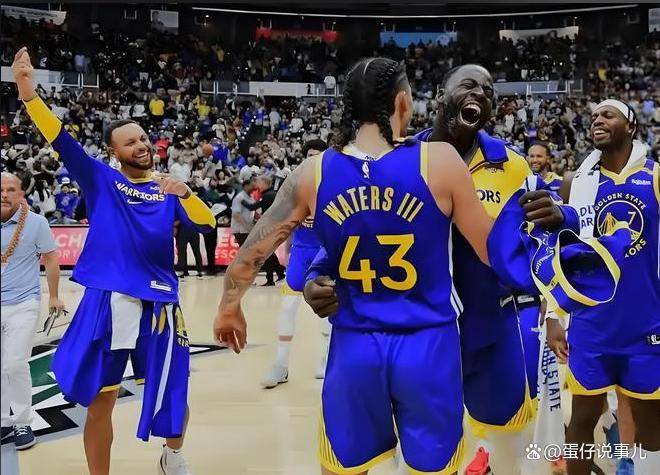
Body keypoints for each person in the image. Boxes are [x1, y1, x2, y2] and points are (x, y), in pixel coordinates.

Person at [214, 57, 495, 475]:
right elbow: (493, 251)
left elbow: (253, 250)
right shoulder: (440, 161)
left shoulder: (314, 171)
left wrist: (229, 306)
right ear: (403, 101)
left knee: (343, 467)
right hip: (428, 345)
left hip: (355, 345)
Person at [303, 64, 568, 475]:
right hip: (418, 331)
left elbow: (538, 243)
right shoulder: (404, 157)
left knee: (509, 442)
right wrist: (314, 275)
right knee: (417, 453)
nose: (480, 93)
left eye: (488, 90)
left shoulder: (514, 166)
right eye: (468, 85)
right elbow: (360, 229)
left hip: (488, 329)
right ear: (441, 96)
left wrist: (554, 304)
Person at [12, 47, 216, 475]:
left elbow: (205, 223)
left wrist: (186, 192)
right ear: (113, 152)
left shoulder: (168, 187)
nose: (141, 146)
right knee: (100, 400)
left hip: (160, 302)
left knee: (173, 391)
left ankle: (173, 456)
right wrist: (28, 92)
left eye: (143, 139)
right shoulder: (101, 179)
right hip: (108, 300)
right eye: (130, 142)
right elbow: (60, 138)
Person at [547, 99, 660, 475]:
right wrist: (553, 317)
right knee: (582, 419)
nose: (597, 119)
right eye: (594, 116)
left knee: (650, 422)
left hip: (645, 324)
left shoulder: (655, 177)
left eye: (607, 114)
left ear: (631, 126)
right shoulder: (575, 182)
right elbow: (562, 254)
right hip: (591, 324)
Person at [1, 172, 65, 450]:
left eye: (10, 189)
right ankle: (3, 422)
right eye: (0, 189)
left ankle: (22, 421)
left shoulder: (36, 223)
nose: (4, 194)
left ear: (21, 194)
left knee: (15, 363)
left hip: (23, 302)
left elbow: (50, 258)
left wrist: (54, 296)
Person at [261, 139, 329, 389]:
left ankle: (326, 360)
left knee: (327, 309)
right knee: (288, 307)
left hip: (325, 252)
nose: (312, 159)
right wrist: (287, 249)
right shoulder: (294, 185)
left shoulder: (334, 184)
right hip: (301, 251)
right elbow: (287, 221)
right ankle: (281, 365)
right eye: (309, 155)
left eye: (317, 155)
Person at [242, 175, 285, 286]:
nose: (257, 185)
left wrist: (241, 200)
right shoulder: (273, 194)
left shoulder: (267, 196)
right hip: (274, 227)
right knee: (269, 253)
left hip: (269, 228)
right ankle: (280, 273)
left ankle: (270, 279)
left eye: (259, 182)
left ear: (265, 183)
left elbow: (252, 207)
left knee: (265, 253)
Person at [230, 178, 256, 247]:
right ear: (246, 186)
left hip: (247, 229)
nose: (254, 188)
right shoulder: (239, 198)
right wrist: (247, 227)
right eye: (252, 186)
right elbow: (236, 215)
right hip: (240, 230)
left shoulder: (251, 197)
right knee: (245, 249)